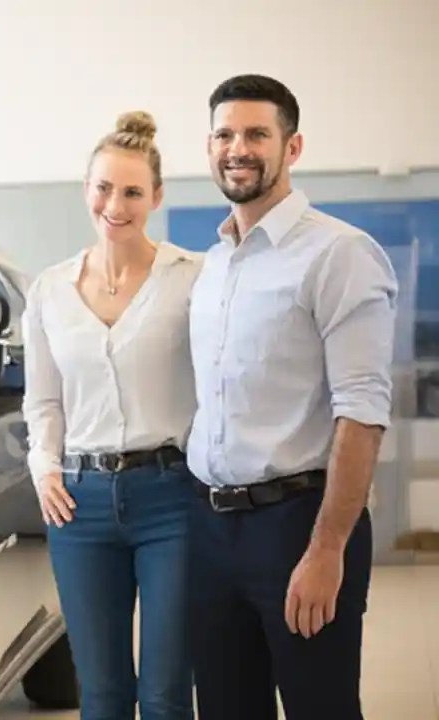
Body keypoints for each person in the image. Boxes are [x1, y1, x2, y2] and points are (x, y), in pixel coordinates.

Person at [185, 74, 398, 720]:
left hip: (298, 523)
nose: (237, 148)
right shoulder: (215, 263)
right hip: (211, 526)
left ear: (292, 147)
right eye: (224, 134)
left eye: (256, 133)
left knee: (320, 707)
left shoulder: (339, 254)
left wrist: (328, 547)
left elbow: (362, 413)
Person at [22, 110, 201, 720]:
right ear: (86, 189)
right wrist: (44, 468)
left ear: (155, 195)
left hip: (172, 499)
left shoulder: (192, 279)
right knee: (100, 694)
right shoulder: (49, 290)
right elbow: (43, 401)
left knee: (167, 692)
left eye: (131, 191)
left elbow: (218, 390)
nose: (115, 205)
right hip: (80, 503)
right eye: (104, 188)